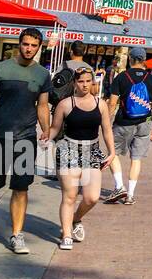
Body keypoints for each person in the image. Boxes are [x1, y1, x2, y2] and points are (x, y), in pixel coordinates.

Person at [0, 28, 53, 253]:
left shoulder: (43, 74)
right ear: (19, 44)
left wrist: (47, 129)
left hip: (26, 138)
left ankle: (17, 234)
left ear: (39, 47)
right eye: (25, 44)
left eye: (33, 45)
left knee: (21, 186)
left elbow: (42, 105)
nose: (29, 49)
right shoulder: (1, 68)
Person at [43, 67, 114, 250]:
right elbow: (55, 128)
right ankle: (66, 235)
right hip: (69, 150)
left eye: (87, 81)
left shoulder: (101, 104)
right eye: (80, 81)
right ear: (75, 83)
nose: (84, 85)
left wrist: (112, 152)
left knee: (92, 197)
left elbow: (106, 130)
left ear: (93, 83)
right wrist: (46, 137)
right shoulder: (65, 104)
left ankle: (75, 219)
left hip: (92, 150)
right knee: (70, 196)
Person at [103, 47, 152, 205]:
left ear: (130, 59)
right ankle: (130, 195)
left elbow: (112, 103)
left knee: (113, 153)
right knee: (136, 159)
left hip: (124, 122)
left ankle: (119, 186)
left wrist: (106, 122)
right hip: (145, 123)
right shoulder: (151, 79)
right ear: (143, 60)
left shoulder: (122, 77)